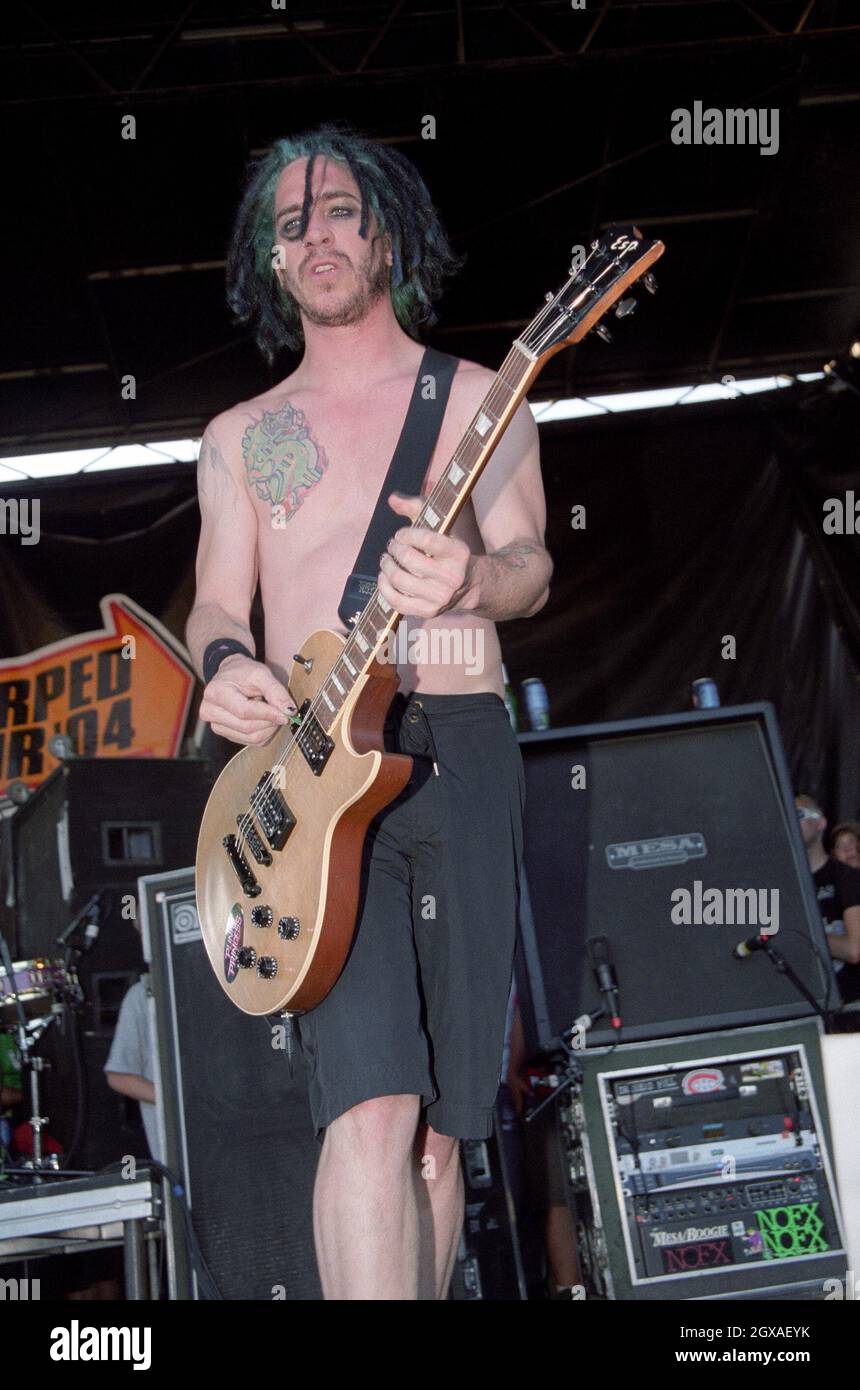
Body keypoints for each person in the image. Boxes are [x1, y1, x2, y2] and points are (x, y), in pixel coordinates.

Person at [187, 124, 552, 1300]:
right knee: (369, 1100)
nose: (315, 237)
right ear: (269, 262)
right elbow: (213, 604)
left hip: (462, 749)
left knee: (440, 1133)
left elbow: (531, 567)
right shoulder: (241, 439)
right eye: (287, 226)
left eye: (338, 210)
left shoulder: (483, 397)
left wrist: (471, 578)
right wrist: (222, 663)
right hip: (317, 780)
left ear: (387, 233)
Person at [796, 795, 860, 1013]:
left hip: (851, 1003)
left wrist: (802, 934)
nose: (793, 821)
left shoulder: (847, 877)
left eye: (799, 814)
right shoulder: (786, 884)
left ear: (820, 822)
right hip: (807, 1007)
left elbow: (854, 950)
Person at [103, 975, 162, 1162]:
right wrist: (178, 1101)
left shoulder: (235, 984)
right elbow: (118, 1076)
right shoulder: (143, 994)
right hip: (181, 1146)